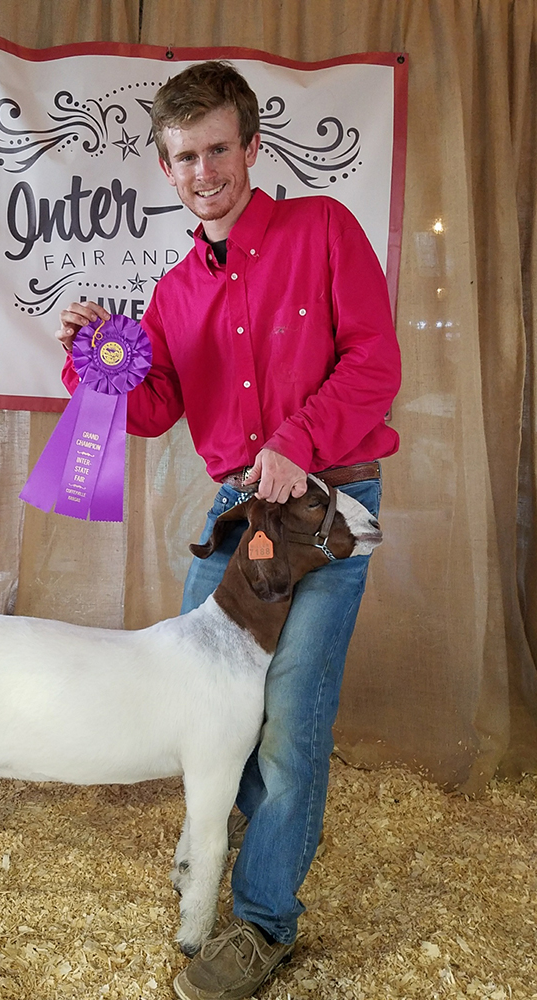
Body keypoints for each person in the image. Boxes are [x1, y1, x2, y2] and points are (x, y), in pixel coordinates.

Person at [56, 61, 401, 1000]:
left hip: (322, 509)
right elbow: (160, 407)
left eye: (218, 149)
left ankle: (261, 923)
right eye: (183, 157)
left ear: (250, 148)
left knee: (287, 727)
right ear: (165, 169)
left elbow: (375, 363)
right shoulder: (170, 296)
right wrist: (97, 367)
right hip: (234, 516)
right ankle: (243, 856)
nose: (203, 170)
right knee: (217, 715)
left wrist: (295, 441)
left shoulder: (323, 229)